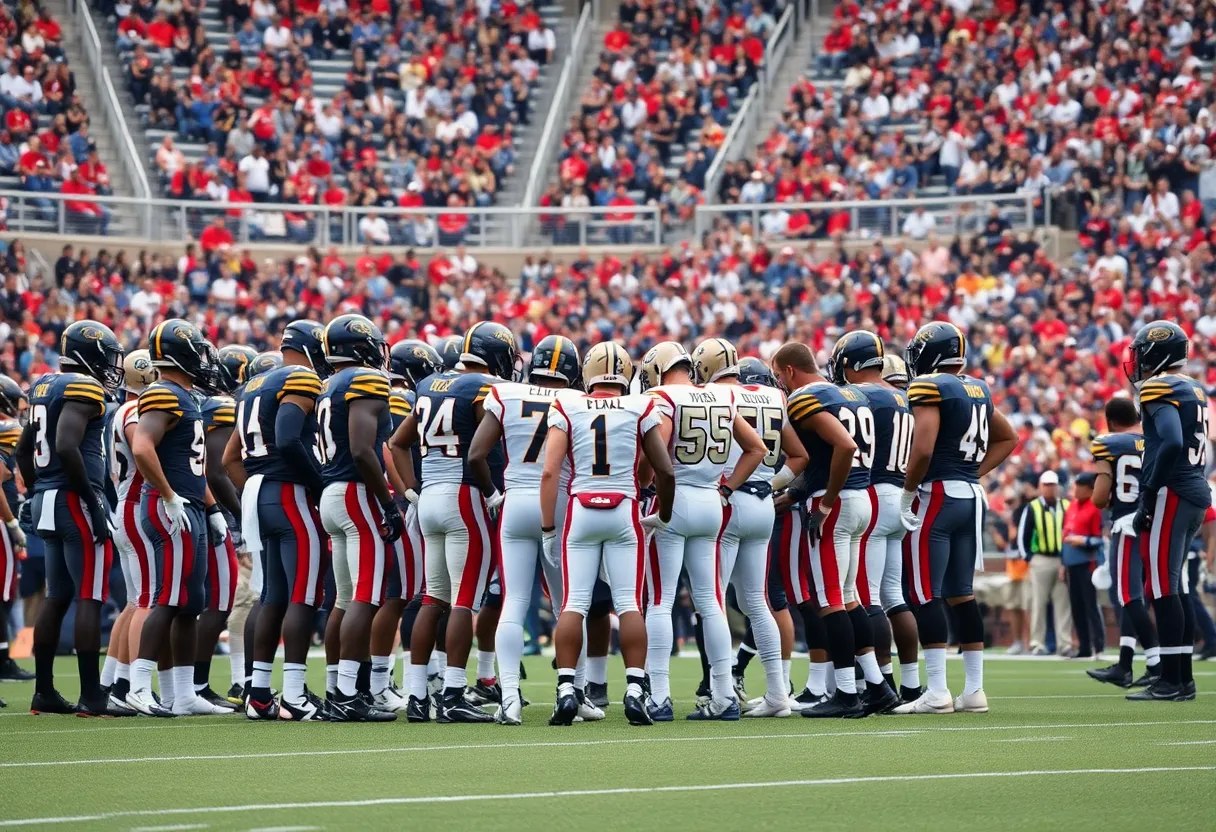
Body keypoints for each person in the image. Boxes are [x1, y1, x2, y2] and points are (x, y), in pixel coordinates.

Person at [540, 341, 675, 726]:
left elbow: (550, 472)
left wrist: (549, 526)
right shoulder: (641, 405)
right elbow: (662, 470)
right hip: (623, 509)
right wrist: (663, 515)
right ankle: (635, 689)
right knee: (629, 603)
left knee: (574, 603)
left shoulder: (568, 404)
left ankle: (567, 688)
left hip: (582, 508)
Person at [467, 335, 597, 725]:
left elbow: (476, 454)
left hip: (515, 500)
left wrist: (493, 496)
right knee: (568, 604)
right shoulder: (577, 401)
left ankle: (508, 698)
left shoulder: (504, 394)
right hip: (557, 502)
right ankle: (576, 692)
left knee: (514, 601)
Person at [392, 322, 516, 724]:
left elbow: (397, 442)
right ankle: (451, 693)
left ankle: (416, 696)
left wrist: (411, 490)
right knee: (465, 601)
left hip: (428, 495)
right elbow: (481, 452)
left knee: (433, 597)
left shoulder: (430, 383)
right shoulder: (484, 389)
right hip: (464, 497)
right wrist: (493, 493)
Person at [894, 322, 1018, 715]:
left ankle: (936, 691)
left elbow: (924, 447)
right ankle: (975, 690)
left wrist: (909, 491)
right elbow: (1008, 438)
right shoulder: (978, 387)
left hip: (937, 495)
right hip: (970, 496)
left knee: (923, 592)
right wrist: (972, 473)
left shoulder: (930, 386)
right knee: (962, 594)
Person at [639, 341, 767, 722]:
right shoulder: (720, 396)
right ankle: (724, 696)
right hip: (711, 502)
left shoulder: (661, 396)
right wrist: (727, 487)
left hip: (673, 501)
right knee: (711, 601)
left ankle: (659, 697)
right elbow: (756, 448)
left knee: (660, 600)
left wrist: (649, 485)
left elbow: (654, 456)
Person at [774, 341, 897, 718]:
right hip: (863, 497)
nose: (780, 384)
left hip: (839, 502)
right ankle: (877, 686)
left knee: (830, 600)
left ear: (791, 371)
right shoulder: (852, 393)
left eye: (779, 376)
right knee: (849, 597)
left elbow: (843, 445)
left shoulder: (805, 397)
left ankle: (846, 692)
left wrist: (824, 501)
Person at [692, 340, 807, 717]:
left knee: (713, 601)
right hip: (763, 503)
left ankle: (722, 694)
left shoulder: (713, 394)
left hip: (729, 499)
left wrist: (724, 486)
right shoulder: (775, 396)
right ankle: (778, 694)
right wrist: (771, 485)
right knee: (756, 602)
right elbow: (799, 455)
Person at [126, 319, 232, 717]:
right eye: (198, 349)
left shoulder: (185, 396)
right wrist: (169, 495)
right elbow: (142, 446)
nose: (204, 358)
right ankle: (139, 687)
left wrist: (212, 507)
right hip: (169, 506)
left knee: (191, 602)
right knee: (168, 598)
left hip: (190, 504)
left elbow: (193, 466)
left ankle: (182, 693)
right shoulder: (164, 392)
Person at [17, 321, 124, 716]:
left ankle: (44, 691)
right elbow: (64, 444)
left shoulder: (44, 386)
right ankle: (92, 695)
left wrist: (35, 489)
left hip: (49, 496)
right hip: (74, 498)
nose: (111, 365)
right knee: (89, 595)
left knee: (58, 595)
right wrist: (94, 503)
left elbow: (23, 451)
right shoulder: (82, 387)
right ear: (89, 353)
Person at [226, 322, 328, 718]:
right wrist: (317, 486)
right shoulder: (299, 377)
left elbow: (229, 459)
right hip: (290, 495)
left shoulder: (252, 385)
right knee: (303, 596)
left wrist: (255, 489)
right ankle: (296, 695)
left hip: (260, 494)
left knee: (273, 596)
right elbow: (287, 438)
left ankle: (260, 695)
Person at [316, 314, 403, 723]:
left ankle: (337, 688)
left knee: (345, 599)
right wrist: (386, 503)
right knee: (365, 597)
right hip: (355, 493)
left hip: (332, 494)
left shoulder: (327, 384)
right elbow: (363, 450)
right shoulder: (363, 381)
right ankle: (349, 694)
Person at [828, 332, 922, 703]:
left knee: (865, 598)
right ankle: (911, 682)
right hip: (899, 494)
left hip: (872, 492)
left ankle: (879, 682)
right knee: (893, 595)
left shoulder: (864, 396)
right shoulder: (903, 396)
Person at [1122, 321, 1211, 701]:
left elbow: (1172, 440)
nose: (1138, 361)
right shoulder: (1195, 388)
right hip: (1193, 490)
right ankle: (1182, 677)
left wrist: (1150, 491)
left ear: (1157, 353)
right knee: (1175, 586)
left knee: (1162, 586)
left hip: (1173, 491)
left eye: (1142, 352)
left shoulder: (1161, 386)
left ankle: (1173, 680)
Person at [374, 340, 440, 712]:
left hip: (385, 501)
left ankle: (379, 679)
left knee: (397, 594)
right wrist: (408, 492)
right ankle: (380, 682)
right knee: (402, 594)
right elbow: (391, 448)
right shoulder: (400, 399)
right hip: (399, 502)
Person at [1088, 397, 1160, 687]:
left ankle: (1155, 663)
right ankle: (1126, 664)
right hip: (1154, 523)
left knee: (1128, 597)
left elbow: (1099, 497)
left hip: (1127, 523)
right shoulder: (1155, 439)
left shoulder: (1110, 443)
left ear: (1110, 421)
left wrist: (1106, 500)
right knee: (1140, 598)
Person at [103, 351, 158, 714]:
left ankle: (111, 682)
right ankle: (133, 687)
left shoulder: (117, 411)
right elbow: (143, 451)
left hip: (125, 506)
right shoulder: (135, 412)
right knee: (147, 601)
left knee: (134, 600)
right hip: (137, 505)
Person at [1018, 471, 1075, 656]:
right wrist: (1029, 558)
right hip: (1040, 558)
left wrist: (1067, 559)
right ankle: (1037, 644)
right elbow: (1023, 535)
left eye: (1053, 485)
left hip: (1062, 560)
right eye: (1047, 485)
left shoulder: (1066, 506)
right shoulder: (1033, 507)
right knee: (1038, 603)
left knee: (1063, 604)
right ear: (1041, 487)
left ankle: (1064, 644)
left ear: (1057, 486)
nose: (1050, 488)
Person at [0, 376, 30, 686]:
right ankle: (3, 661)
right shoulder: (7, 430)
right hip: (0, 521)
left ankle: (5, 658)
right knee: (3, 596)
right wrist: (10, 522)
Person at [1062, 473, 1105, 659]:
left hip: (1087, 562)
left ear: (1090, 488)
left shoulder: (1095, 507)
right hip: (1071, 563)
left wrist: (1084, 540)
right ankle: (1084, 647)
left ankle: (1099, 646)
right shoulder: (1071, 506)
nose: (1076, 489)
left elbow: (1100, 539)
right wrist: (1062, 563)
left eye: (1080, 486)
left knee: (1090, 606)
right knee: (1076, 606)